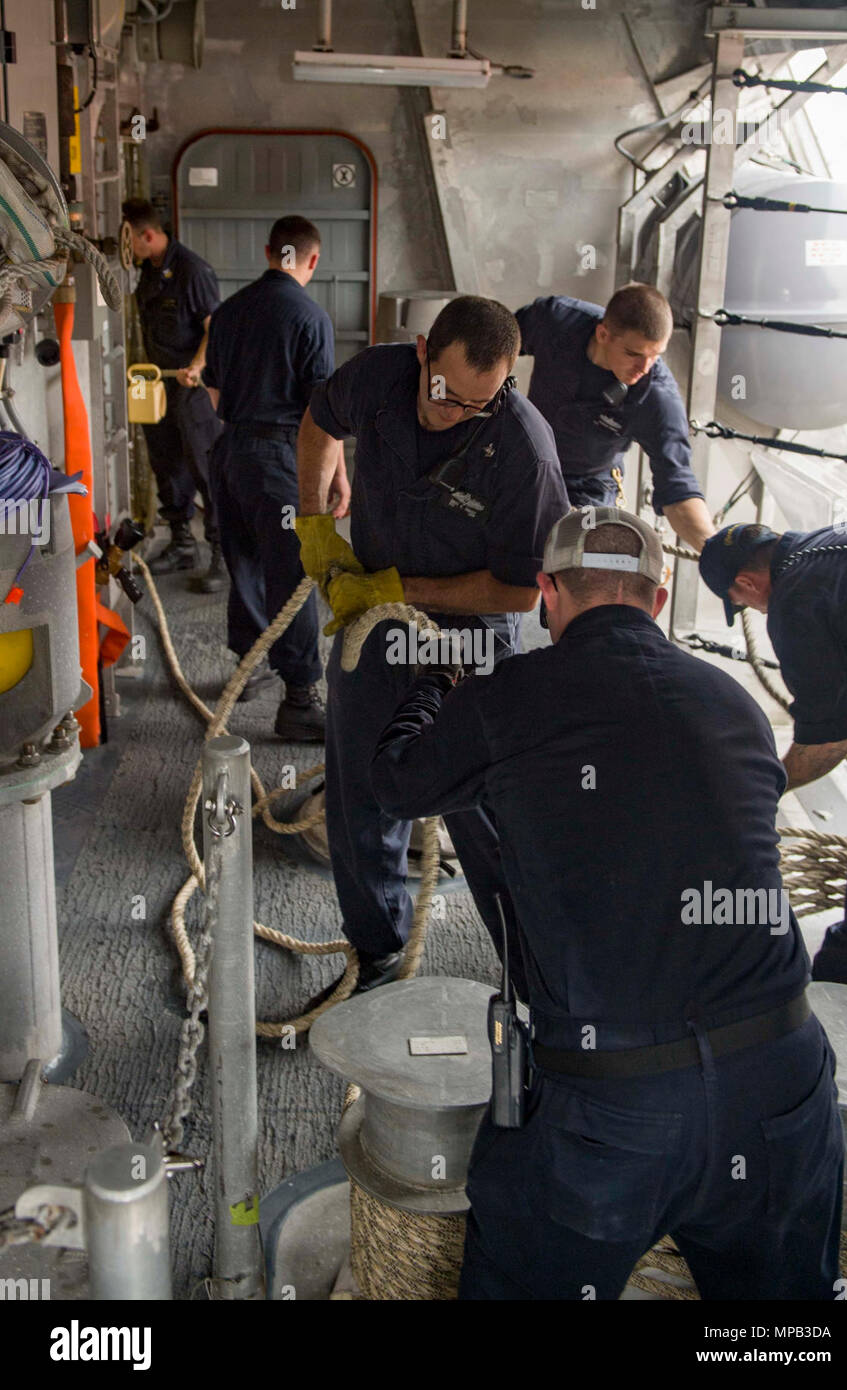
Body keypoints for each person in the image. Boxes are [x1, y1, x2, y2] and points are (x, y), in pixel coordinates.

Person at [370, 508, 843, 1301]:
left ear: (547, 594)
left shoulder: (507, 697)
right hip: (782, 1080)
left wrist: (435, 681)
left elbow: (395, 781)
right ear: (657, 601)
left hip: (611, 1104)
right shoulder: (731, 703)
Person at [294, 295, 569, 1005]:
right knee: (359, 787)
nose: (456, 413)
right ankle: (376, 953)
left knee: (485, 806)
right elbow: (319, 426)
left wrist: (393, 583)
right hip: (373, 626)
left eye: (481, 402)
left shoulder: (524, 451)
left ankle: (538, 975)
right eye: (445, 392)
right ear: (421, 352)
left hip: (469, 637)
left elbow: (516, 594)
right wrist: (314, 523)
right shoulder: (375, 379)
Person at [700, 519, 847, 992]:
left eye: (742, 603)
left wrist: (758, 790)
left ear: (746, 583)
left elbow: (826, 743)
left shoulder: (794, 603)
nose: (753, 608)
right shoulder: (832, 544)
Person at [201, 216, 338, 739]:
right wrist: (329, 481)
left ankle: (249, 664)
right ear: (313, 259)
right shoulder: (310, 317)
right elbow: (322, 414)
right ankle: (300, 700)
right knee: (295, 573)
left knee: (247, 563)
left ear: (267, 252)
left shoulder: (229, 313)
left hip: (230, 452)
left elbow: (213, 394)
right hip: (280, 455)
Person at [514, 284, 714, 553]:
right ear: (603, 333)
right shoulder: (556, 321)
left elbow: (678, 490)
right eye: (634, 354)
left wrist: (715, 550)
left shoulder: (656, 397)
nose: (644, 368)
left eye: (655, 356)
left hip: (586, 489)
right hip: (526, 459)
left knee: (559, 562)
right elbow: (495, 345)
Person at [122, 198, 224, 591]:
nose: (126, 247)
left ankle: (220, 551)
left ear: (148, 235)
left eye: (130, 239)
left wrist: (197, 366)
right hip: (156, 382)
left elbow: (214, 325)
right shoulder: (148, 270)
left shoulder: (192, 270)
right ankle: (182, 543)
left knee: (205, 467)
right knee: (166, 461)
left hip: (190, 384)